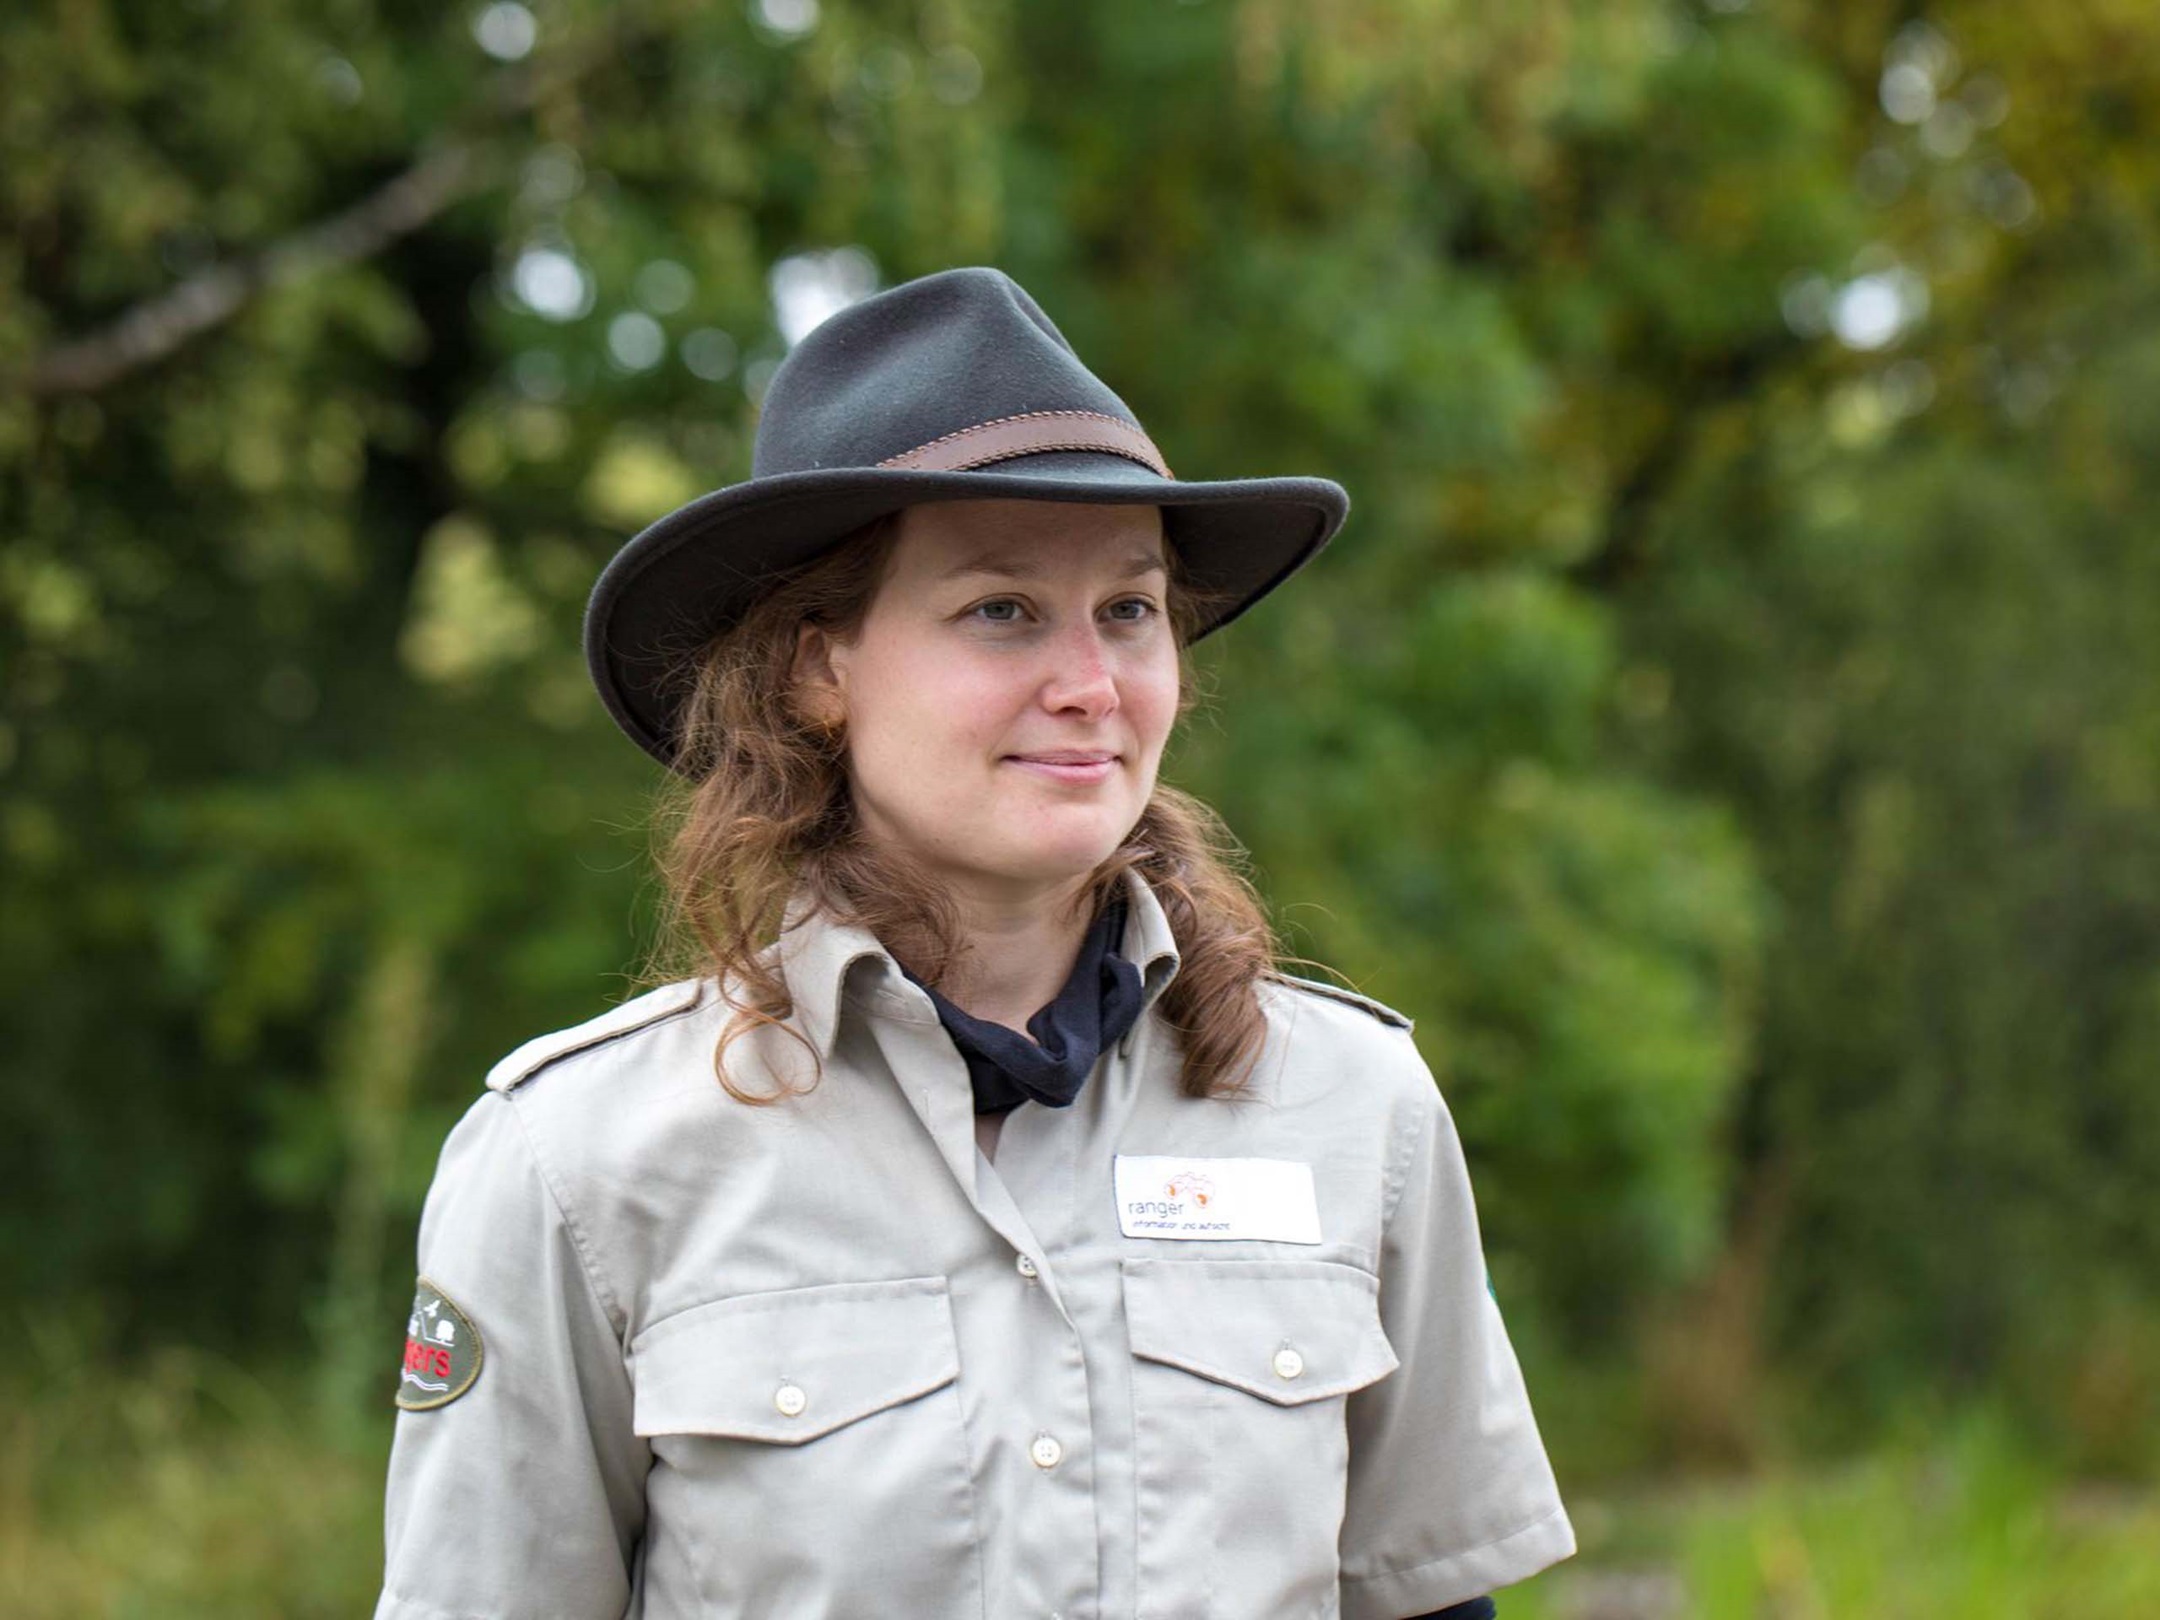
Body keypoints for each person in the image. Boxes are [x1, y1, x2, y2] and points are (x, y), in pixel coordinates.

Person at [375, 266, 1575, 1619]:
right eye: (1001, 610)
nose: (1090, 684)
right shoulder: (578, 1164)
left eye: (1129, 610)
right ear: (816, 670)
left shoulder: (1356, 1114)